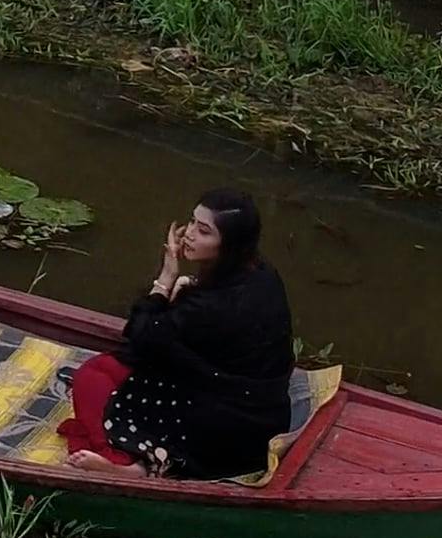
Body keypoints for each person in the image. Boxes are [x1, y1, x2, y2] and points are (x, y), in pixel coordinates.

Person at [58, 189, 294, 478]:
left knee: (92, 377)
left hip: (223, 427)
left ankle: (127, 464)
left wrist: (167, 278)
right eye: (193, 222)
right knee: (108, 368)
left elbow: (140, 336)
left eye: (204, 231)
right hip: (268, 412)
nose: (191, 234)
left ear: (229, 245)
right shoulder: (263, 274)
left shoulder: (209, 306)